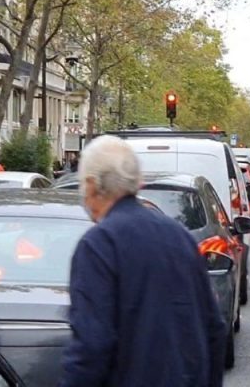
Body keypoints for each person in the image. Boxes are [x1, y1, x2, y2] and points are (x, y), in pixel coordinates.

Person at [60, 135, 226, 387]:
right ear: (137, 184)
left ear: (92, 186)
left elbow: (92, 346)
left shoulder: (99, 245)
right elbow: (213, 328)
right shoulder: (179, 237)